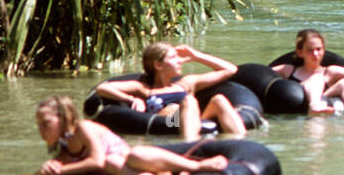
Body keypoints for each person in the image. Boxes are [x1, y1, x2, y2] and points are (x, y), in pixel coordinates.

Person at [20, 96, 228, 175]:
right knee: (114, 162)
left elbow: (97, 161)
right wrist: (42, 172)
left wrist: (62, 171)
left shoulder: (83, 128)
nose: (41, 130)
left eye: (46, 123)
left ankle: (198, 165)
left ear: (64, 118)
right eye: (38, 124)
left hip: (147, 167)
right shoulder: (64, 150)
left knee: (131, 155)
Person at [94, 43, 247, 139]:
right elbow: (102, 88)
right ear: (158, 65)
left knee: (218, 99)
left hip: (194, 120)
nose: (179, 60)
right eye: (173, 58)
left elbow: (231, 70)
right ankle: (188, 145)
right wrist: (131, 99)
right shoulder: (144, 89)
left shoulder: (186, 83)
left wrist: (196, 56)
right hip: (166, 123)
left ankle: (241, 142)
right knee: (186, 101)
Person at [271, 29, 344, 116]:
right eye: (310, 50)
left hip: (326, 99)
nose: (315, 54)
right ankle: (314, 105)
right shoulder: (288, 70)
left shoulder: (330, 71)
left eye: (318, 49)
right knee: (316, 78)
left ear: (324, 50)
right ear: (300, 52)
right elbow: (260, 75)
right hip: (298, 99)